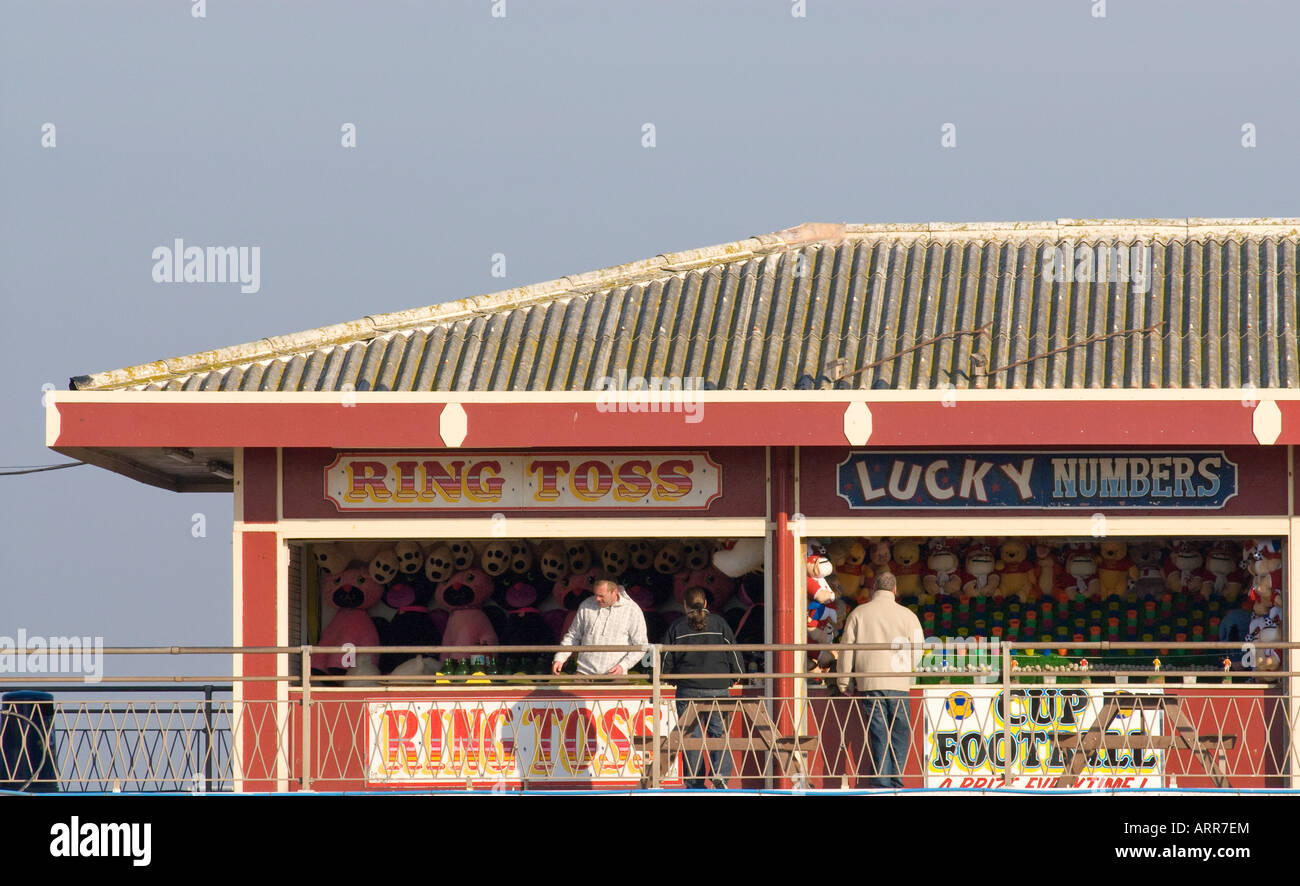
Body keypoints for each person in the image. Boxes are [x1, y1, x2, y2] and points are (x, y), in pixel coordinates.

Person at [836, 572, 924, 789]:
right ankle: (896, 779)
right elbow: (919, 650)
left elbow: (847, 650)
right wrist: (907, 667)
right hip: (899, 684)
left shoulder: (859, 613)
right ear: (895, 590)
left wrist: (844, 682)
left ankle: (881, 781)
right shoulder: (908, 615)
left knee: (878, 731)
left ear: (874, 588)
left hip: (870, 683)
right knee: (900, 731)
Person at [662, 587, 745, 789]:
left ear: (684, 604)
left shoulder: (676, 626)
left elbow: (665, 659)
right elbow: (733, 652)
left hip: (688, 688)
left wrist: (669, 678)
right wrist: (738, 674)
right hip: (718, 686)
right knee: (719, 733)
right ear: (706, 603)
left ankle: (695, 783)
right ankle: (720, 776)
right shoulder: (719, 623)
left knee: (691, 736)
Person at [552, 579, 648, 676]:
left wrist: (623, 666)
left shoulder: (632, 610)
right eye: (595, 595)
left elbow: (641, 645)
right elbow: (573, 636)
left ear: (614, 592)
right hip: (584, 673)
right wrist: (560, 659)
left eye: (601, 596)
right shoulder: (586, 605)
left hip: (615, 675)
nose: (597, 599)